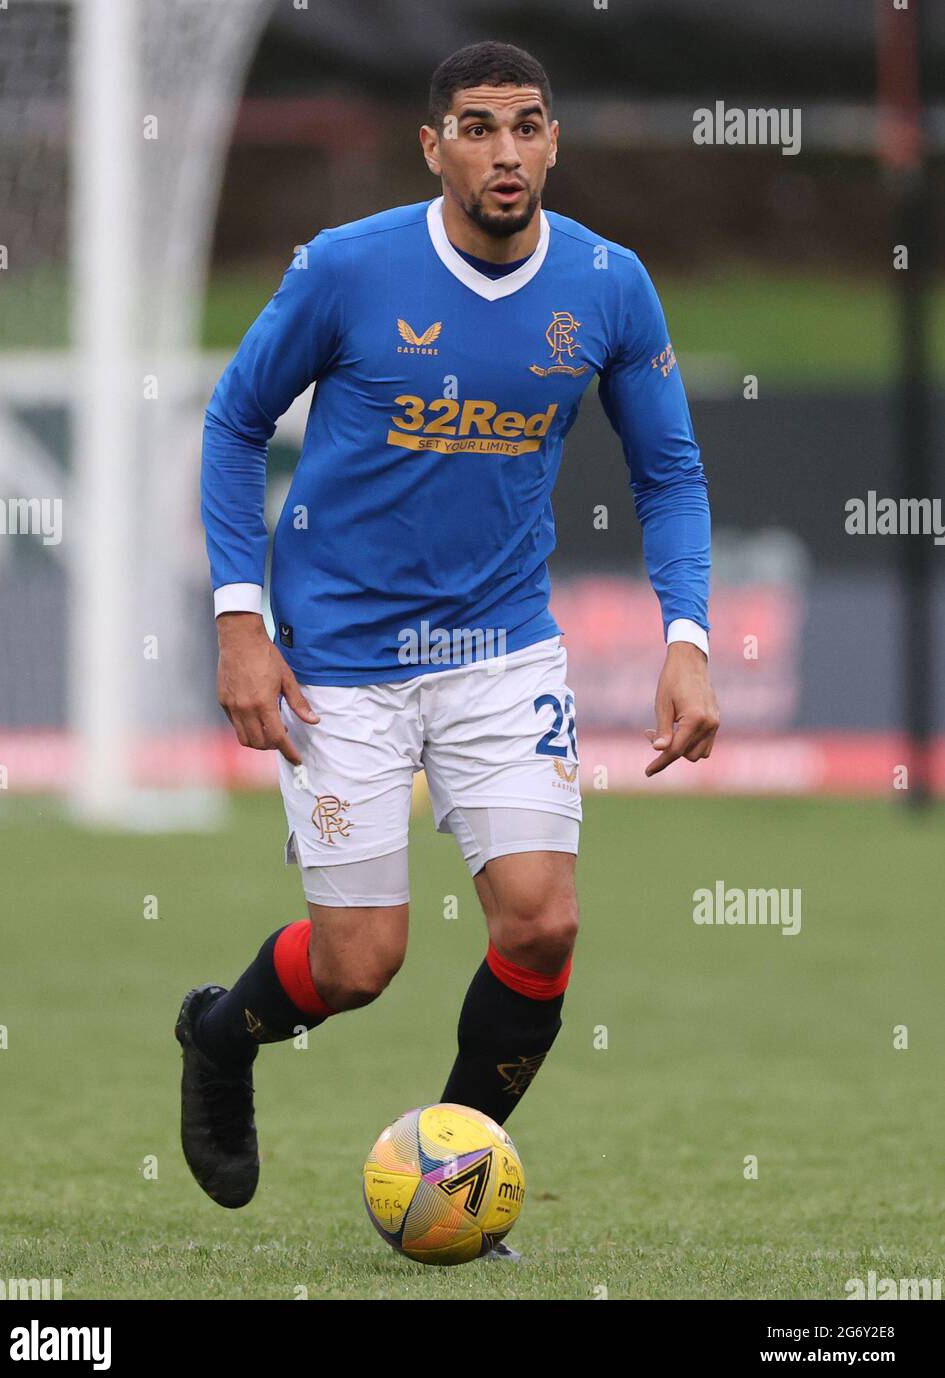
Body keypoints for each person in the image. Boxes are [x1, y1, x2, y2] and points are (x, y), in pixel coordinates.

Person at [177, 41, 719, 1257]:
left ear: (554, 141)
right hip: (340, 663)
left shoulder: (607, 284)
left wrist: (687, 635)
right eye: (477, 127)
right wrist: (238, 619)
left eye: (526, 126)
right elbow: (233, 421)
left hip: (501, 651)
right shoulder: (347, 269)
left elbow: (669, 471)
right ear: (434, 149)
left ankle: (457, 1176)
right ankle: (218, 1037)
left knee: (541, 922)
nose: (506, 151)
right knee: (362, 962)